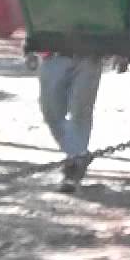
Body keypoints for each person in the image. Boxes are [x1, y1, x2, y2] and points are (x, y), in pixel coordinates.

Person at [39, 53, 103, 193]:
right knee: (50, 112)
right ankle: (78, 153)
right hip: (53, 53)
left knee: (81, 111)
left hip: (90, 53)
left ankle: (75, 164)